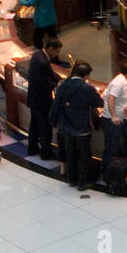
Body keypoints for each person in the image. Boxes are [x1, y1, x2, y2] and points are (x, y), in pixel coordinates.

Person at [49, 60, 103, 190]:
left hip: (65, 127)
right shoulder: (86, 88)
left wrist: (53, 121)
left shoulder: (64, 85)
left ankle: (71, 178)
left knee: (70, 154)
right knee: (84, 155)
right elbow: (98, 102)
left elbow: (56, 105)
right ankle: (83, 182)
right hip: (82, 127)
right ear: (85, 75)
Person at [25, 38, 63, 160]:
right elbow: (46, 83)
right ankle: (46, 153)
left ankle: (32, 148)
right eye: (56, 52)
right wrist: (58, 84)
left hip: (33, 98)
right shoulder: (43, 62)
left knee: (34, 125)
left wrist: (59, 78)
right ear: (51, 49)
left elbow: (49, 73)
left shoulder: (38, 54)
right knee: (45, 127)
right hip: (41, 100)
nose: (56, 55)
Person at [102, 61, 127, 160]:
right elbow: (110, 99)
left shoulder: (126, 82)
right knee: (111, 148)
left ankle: (123, 161)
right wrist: (114, 116)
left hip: (122, 118)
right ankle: (109, 171)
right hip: (111, 120)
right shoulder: (119, 82)